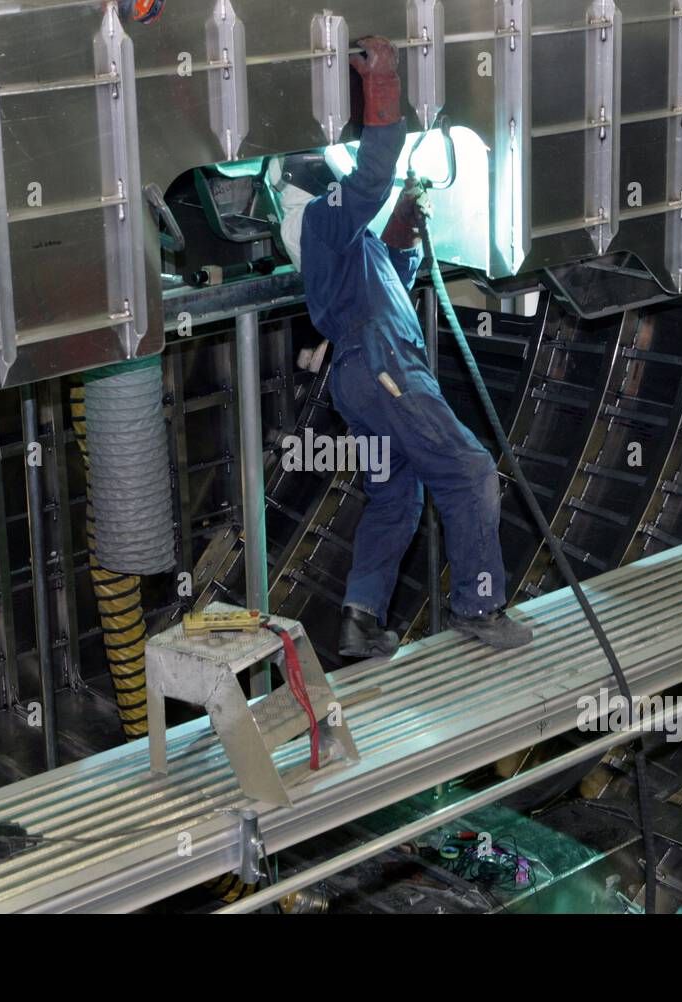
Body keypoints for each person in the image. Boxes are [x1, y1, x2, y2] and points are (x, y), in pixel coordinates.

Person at [269, 35, 533, 658]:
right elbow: (368, 178)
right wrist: (382, 93)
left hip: (365, 380)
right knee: (470, 472)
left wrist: (406, 222)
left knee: (397, 495)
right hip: (385, 370)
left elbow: (395, 268)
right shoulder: (321, 220)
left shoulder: (348, 252)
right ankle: (480, 604)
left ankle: (361, 619)